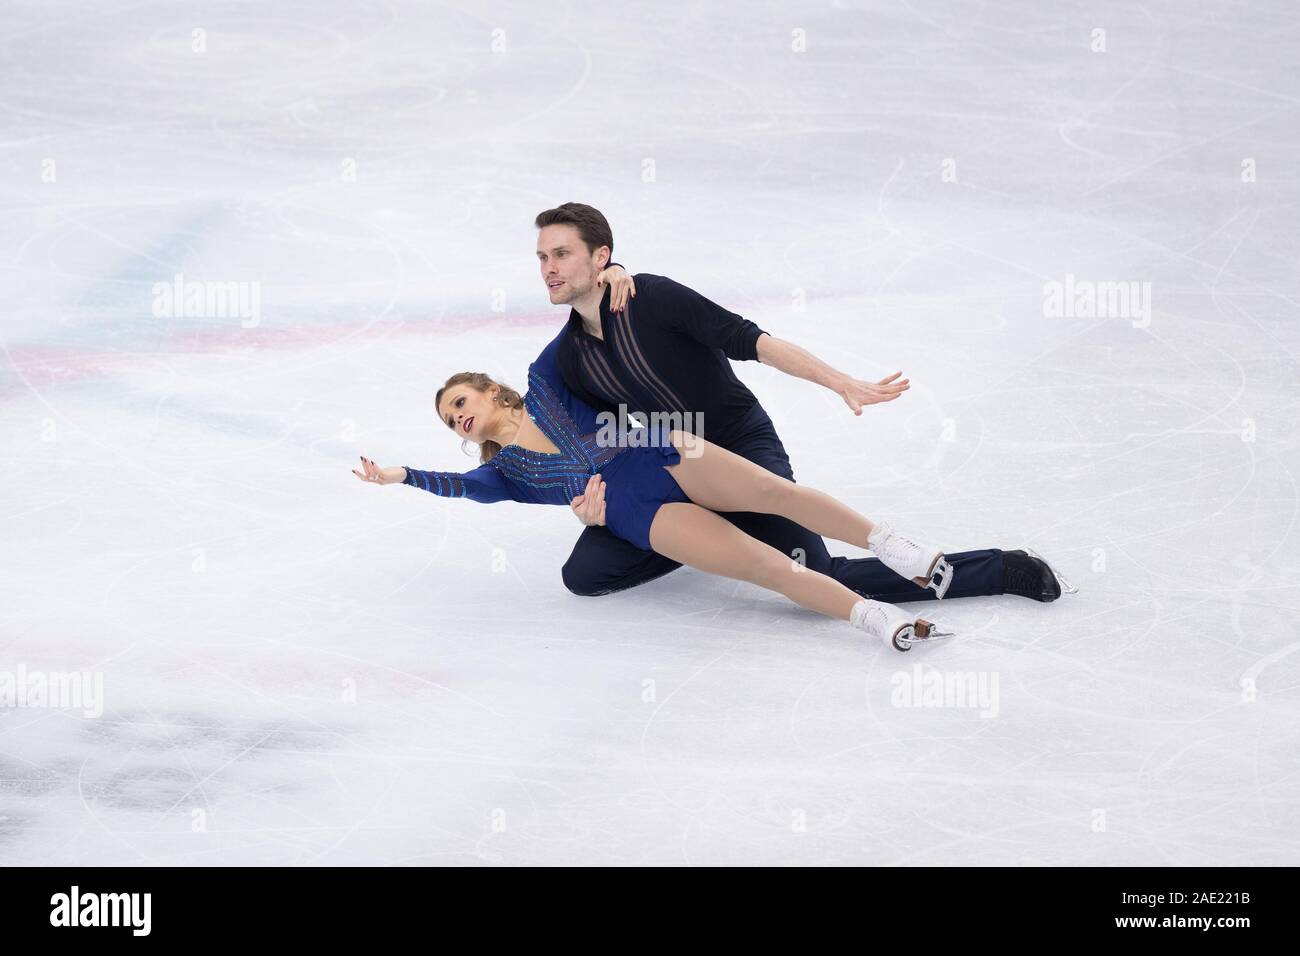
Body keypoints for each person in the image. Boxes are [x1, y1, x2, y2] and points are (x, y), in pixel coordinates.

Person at [533, 203, 1065, 604]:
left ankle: (996, 569)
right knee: (585, 575)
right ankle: (709, 535)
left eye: (562, 254)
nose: (549, 268)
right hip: (672, 473)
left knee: (817, 576)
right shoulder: (567, 360)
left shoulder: (653, 297)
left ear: (601, 257)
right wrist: (592, 504)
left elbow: (753, 342)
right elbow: (594, 442)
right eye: (542, 257)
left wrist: (839, 381)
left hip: (738, 444)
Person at [354, 334, 958, 650]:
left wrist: (612, 272)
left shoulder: (544, 381)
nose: (457, 417)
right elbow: (457, 486)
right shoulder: (502, 475)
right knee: (763, 567)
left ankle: (890, 542)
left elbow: (579, 322)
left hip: (662, 449)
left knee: (776, 494)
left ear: (490, 390)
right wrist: (399, 475)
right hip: (636, 512)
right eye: (448, 418)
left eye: (459, 401)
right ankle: (872, 616)